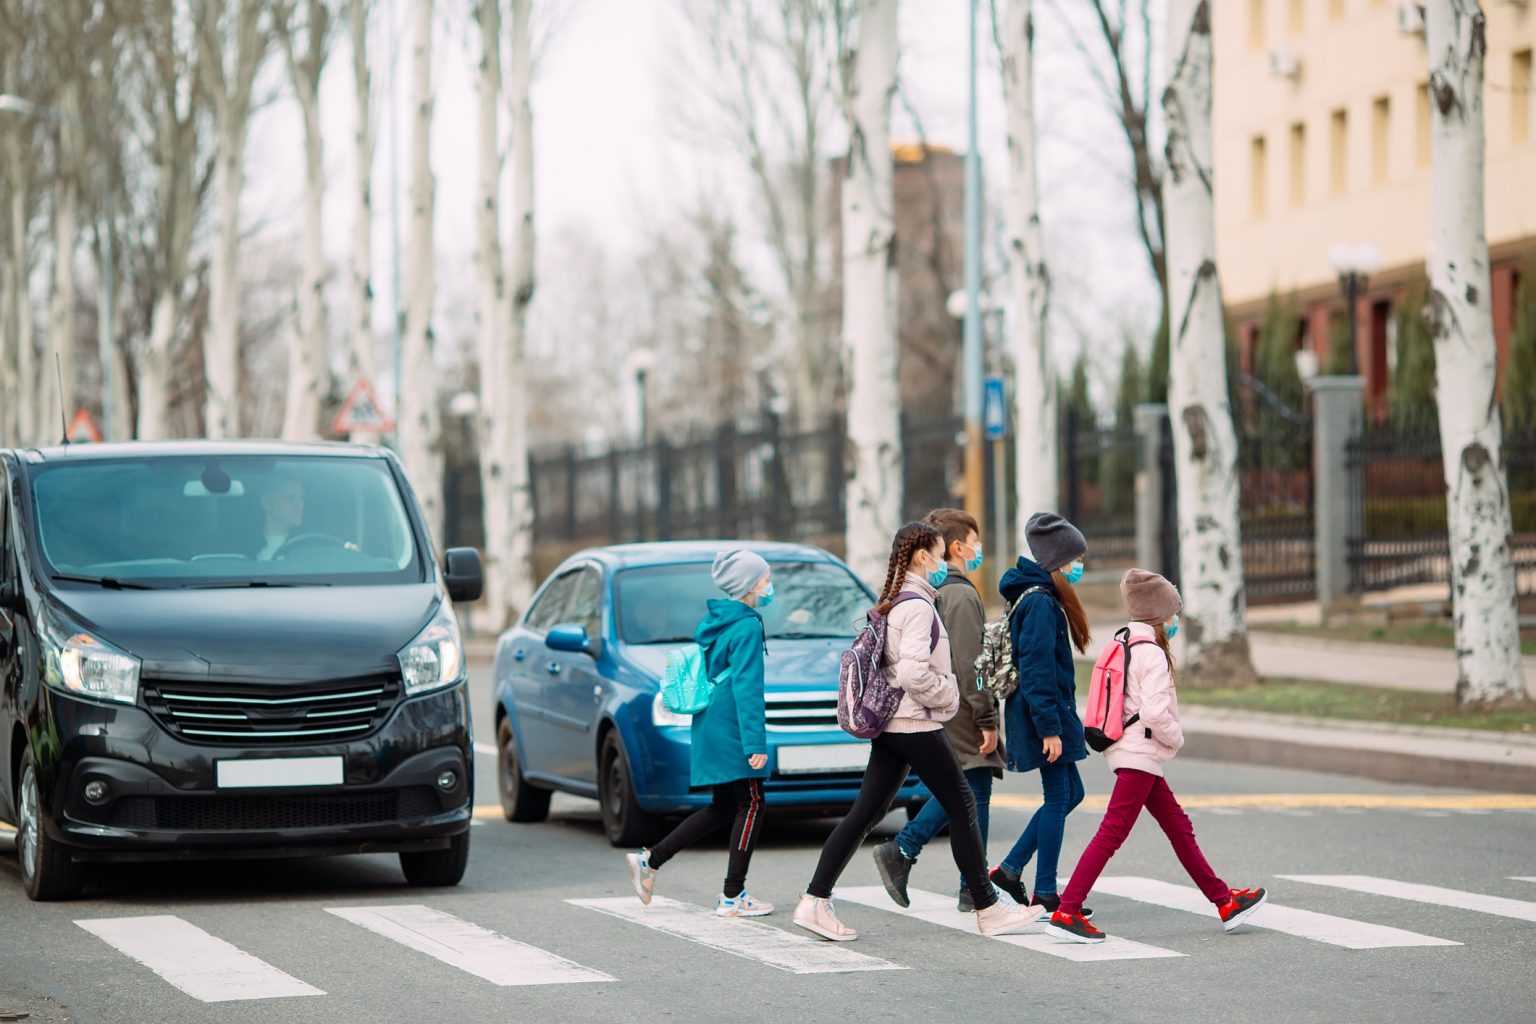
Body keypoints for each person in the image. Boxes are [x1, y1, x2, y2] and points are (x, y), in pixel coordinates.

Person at [792, 522, 1043, 941]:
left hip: (894, 723)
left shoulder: (898, 601)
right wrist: (947, 693)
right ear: (923, 557)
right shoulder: (918, 606)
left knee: (867, 812)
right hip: (912, 720)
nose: (945, 562)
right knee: (962, 801)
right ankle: (986, 905)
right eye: (941, 554)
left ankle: (815, 900)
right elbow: (911, 671)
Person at [1046, 570, 1269, 943]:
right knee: (1112, 833)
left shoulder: (1124, 640)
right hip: (1140, 751)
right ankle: (1067, 910)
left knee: (1178, 827)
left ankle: (1225, 901)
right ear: (1160, 614)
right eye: (1172, 611)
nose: (1175, 619)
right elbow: (1153, 712)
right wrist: (1176, 737)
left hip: (1128, 749)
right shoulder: (1152, 653)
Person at [625, 550, 775, 917]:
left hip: (711, 721)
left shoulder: (719, 621)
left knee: (724, 806)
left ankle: (651, 860)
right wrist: (755, 742)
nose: (770, 585)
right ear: (751, 584)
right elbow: (747, 687)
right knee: (752, 803)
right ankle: (732, 896)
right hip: (732, 727)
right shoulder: (748, 626)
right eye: (766, 579)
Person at [872, 508, 1005, 913]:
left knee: (967, 790)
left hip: (945, 704)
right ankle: (912, 852)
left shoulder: (938, 590)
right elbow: (972, 665)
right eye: (976, 541)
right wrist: (986, 718)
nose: (980, 549)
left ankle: (969, 882)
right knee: (971, 789)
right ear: (957, 547)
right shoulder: (960, 594)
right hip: (961, 706)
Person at [990, 512, 1096, 918]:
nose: (1079, 566)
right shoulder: (1038, 601)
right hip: (1045, 716)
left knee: (1073, 793)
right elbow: (1036, 671)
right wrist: (1049, 729)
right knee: (1058, 798)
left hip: (1051, 713)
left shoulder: (1041, 596)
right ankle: (1046, 892)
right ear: (1057, 561)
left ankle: (1010, 870)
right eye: (1076, 559)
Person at [255, 476, 305, 561]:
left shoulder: (309, 545)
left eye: (301, 498)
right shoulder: (243, 546)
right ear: (266, 503)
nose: (299, 506)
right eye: (290, 498)